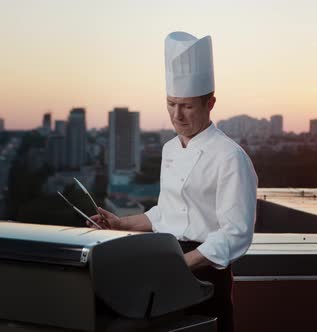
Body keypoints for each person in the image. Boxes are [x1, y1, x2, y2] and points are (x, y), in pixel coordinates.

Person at [89, 31, 258, 332]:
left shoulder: (231, 157)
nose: (177, 115)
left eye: (188, 106)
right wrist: (122, 225)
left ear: (211, 103)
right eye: (171, 104)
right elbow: (167, 214)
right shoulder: (169, 149)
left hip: (204, 270)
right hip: (168, 261)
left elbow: (236, 234)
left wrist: (182, 264)